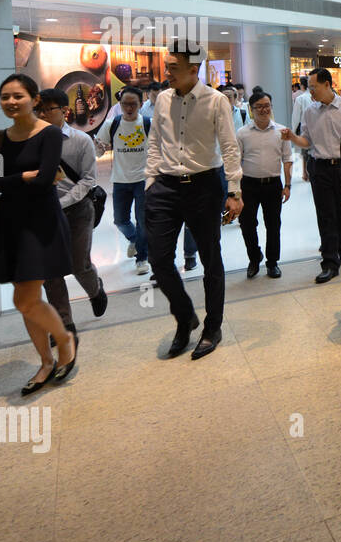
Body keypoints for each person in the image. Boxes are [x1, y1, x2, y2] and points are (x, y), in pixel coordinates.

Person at [0, 74, 77, 395]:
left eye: (18, 96)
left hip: (40, 223)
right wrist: (23, 176)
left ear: (34, 99)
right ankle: (45, 361)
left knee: (24, 299)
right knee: (28, 301)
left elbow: (43, 182)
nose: (11, 102)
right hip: (9, 222)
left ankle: (65, 341)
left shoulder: (49, 135)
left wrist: (10, 179)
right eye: (5, 97)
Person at [144, 41, 243, 360]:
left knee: (210, 260)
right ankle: (185, 315)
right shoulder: (161, 99)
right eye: (166, 66)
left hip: (204, 186)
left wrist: (234, 190)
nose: (167, 72)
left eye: (173, 67)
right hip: (165, 187)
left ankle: (212, 327)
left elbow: (229, 147)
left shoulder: (216, 101)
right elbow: (155, 142)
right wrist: (150, 181)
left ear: (193, 69)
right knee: (159, 260)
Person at [36, 89, 107, 339]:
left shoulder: (80, 140)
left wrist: (63, 202)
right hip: (44, 214)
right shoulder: (31, 141)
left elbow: (88, 179)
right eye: (39, 110)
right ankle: (64, 326)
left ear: (64, 112)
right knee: (50, 272)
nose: (42, 114)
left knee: (79, 264)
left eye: (48, 109)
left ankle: (95, 289)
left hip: (77, 211)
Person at [283, 68, 341, 284]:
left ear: (327, 84)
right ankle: (329, 262)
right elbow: (307, 141)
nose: (311, 91)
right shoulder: (310, 111)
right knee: (326, 215)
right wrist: (293, 138)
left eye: (314, 87)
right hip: (320, 168)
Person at [236, 89, 292, 280]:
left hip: (273, 185)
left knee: (273, 224)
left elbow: (287, 159)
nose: (263, 109)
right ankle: (254, 257)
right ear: (251, 110)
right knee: (247, 224)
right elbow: (236, 162)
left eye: (266, 105)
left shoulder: (281, 131)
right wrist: (235, 191)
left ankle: (272, 262)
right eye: (258, 107)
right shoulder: (242, 133)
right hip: (248, 185)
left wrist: (288, 185)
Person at [95, 85, 150, 275]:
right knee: (120, 220)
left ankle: (142, 257)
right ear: (120, 104)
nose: (129, 108)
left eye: (133, 104)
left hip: (143, 179)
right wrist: (99, 148)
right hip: (120, 179)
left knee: (143, 221)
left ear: (140, 104)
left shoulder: (147, 123)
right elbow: (98, 148)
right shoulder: (113, 123)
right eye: (125, 104)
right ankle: (134, 239)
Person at [290, 75, 312, 180]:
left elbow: (296, 117)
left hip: (304, 129)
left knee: (305, 152)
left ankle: (305, 173)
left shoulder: (300, 98)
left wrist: (293, 130)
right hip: (316, 128)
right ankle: (309, 173)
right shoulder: (315, 97)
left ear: (302, 85)